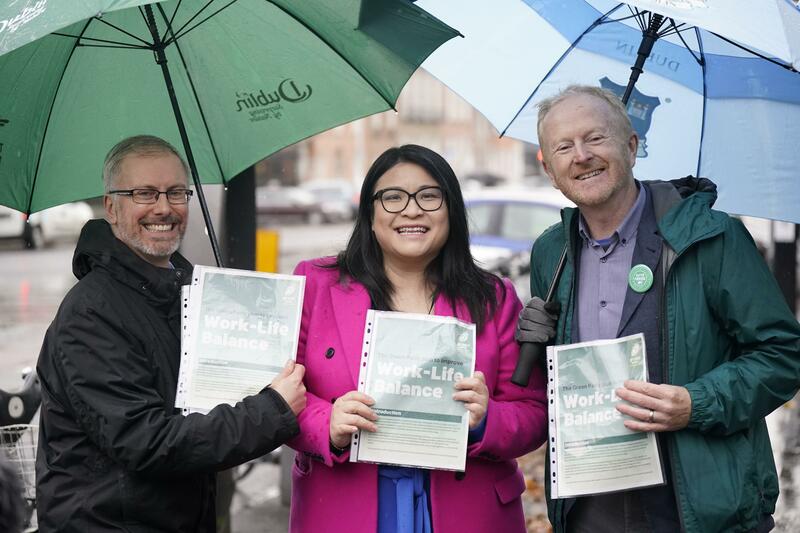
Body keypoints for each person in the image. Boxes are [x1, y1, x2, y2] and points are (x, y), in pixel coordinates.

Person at [517, 85, 800, 533]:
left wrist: (696, 403)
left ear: (631, 146)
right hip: (590, 511)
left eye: (596, 138)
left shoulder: (711, 237)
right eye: (563, 147)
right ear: (550, 171)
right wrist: (536, 347)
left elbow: (783, 354)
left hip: (701, 511)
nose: (582, 156)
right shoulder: (551, 253)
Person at [35, 135, 307, 532]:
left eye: (177, 192)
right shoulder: (91, 313)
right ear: (111, 207)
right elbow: (146, 442)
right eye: (144, 193)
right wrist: (272, 410)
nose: (164, 207)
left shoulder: (186, 292)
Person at [287, 144, 548, 533]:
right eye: (393, 197)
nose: (411, 210)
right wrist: (328, 423)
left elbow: (533, 411)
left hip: (468, 510)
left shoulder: (493, 297)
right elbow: (277, 394)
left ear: (451, 211)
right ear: (370, 214)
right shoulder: (316, 284)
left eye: (429, 196)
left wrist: (486, 419)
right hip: (345, 506)